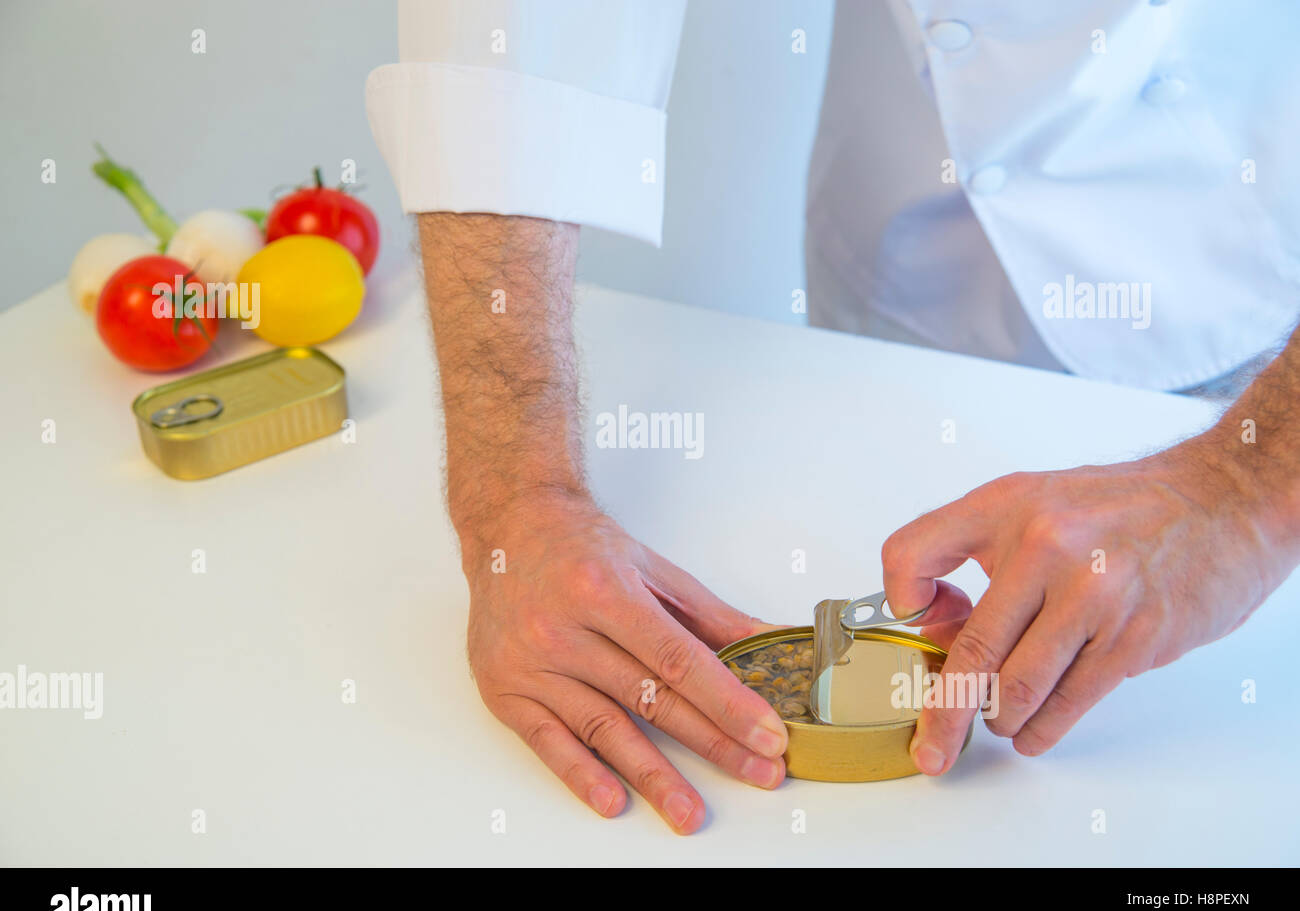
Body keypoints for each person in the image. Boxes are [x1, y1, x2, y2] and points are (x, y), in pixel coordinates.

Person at [365, 0, 1300, 833]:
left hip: (1241, 267)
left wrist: (1247, 485)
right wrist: (517, 501)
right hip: (901, 264)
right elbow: (506, 42)